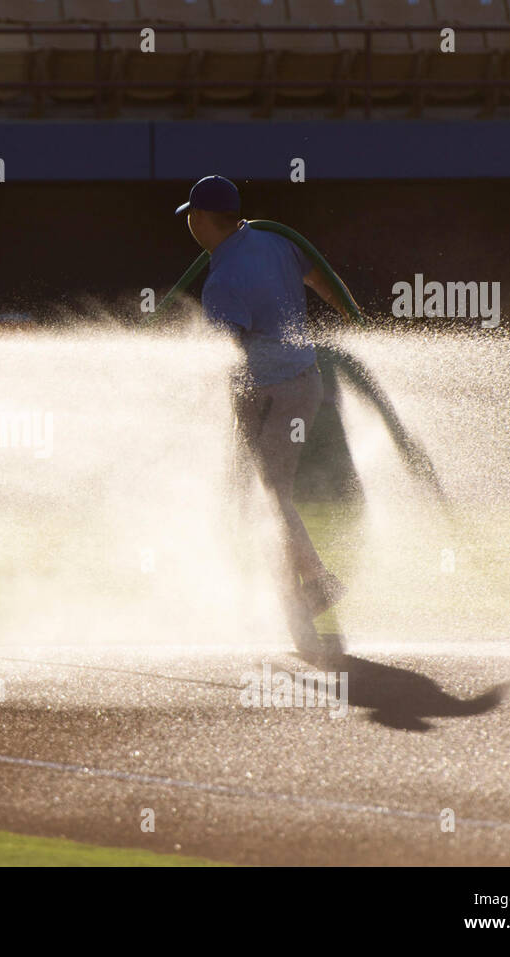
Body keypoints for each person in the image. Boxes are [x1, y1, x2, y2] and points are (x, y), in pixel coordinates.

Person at [176, 175, 348, 630]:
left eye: (190, 217)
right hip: (301, 381)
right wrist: (351, 314)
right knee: (262, 493)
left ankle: (316, 580)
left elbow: (226, 353)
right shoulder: (275, 240)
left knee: (270, 491)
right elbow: (322, 281)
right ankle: (290, 596)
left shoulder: (225, 279)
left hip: (270, 390)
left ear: (198, 219)